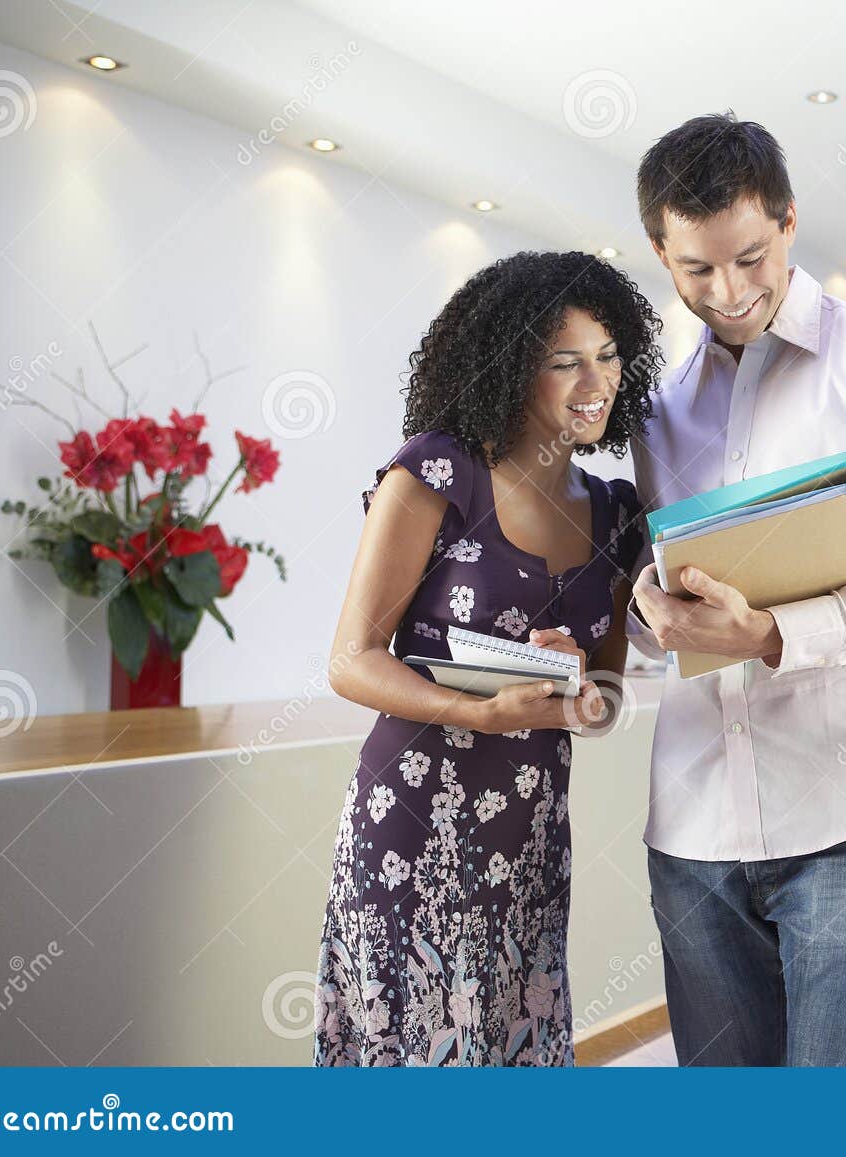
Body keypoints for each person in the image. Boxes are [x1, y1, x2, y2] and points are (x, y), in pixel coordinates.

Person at [626, 114, 846, 1066]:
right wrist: (644, 612)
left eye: (748, 257)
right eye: (696, 269)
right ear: (662, 252)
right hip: (696, 818)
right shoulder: (655, 412)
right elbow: (651, 589)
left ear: (788, 223)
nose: (728, 292)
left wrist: (776, 631)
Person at [315, 251, 661, 1066]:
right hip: (412, 822)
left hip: (530, 837)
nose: (595, 383)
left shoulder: (616, 512)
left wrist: (575, 684)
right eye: (565, 362)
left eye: (608, 357)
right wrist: (480, 709)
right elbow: (351, 659)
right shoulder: (440, 470)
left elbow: (605, 697)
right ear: (512, 367)